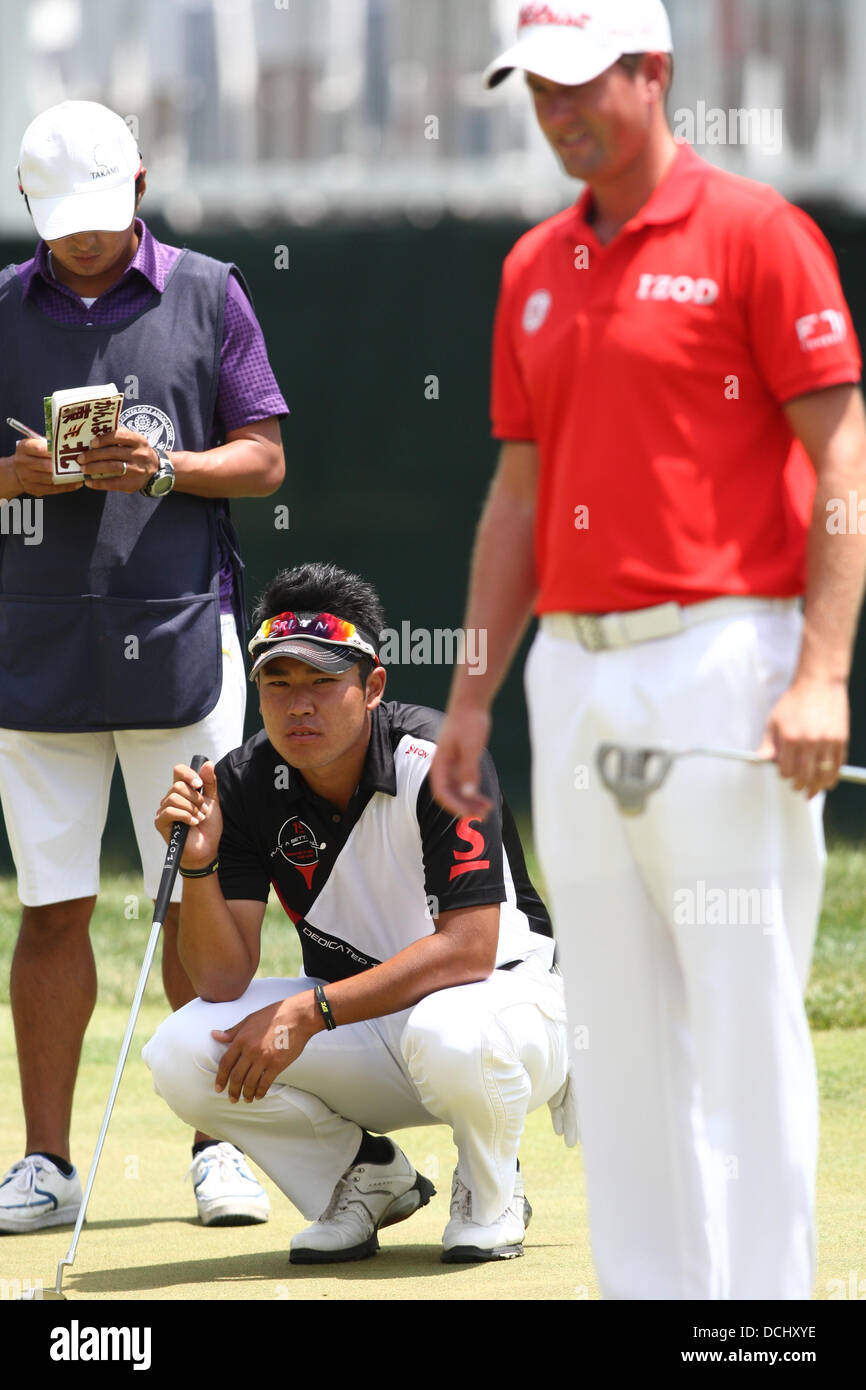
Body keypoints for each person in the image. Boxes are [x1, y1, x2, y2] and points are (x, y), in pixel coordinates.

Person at [429, 0, 866, 1300]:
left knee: (738, 1019)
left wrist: (822, 669)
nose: (556, 113)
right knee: (614, 1029)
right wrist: (468, 700)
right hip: (571, 668)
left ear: (652, 71)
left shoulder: (756, 235)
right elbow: (517, 495)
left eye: (579, 84)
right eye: (536, 90)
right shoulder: (529, 268)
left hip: (726, 655)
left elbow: (838, 452)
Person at [0, 100, 288, 1233]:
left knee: (199, 899)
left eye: (103, 214)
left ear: (143, 181)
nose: (84, 239)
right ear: (30, 207)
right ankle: (45, 1161)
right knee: (51, 907)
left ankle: (219, 1144)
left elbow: (262, 457)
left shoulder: (211, 290)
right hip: (34, 648)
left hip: (178, 636)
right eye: (62, 219)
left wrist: (165, 468)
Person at [142, 561, 571, 1263]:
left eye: (320, 682)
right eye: (277, 684)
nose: (297, 705)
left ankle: (493, 1192)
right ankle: (363, 1177)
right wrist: (200, 865)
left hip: (507, 1007)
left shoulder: (440, 760)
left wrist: (311, 1013)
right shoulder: (245, 783)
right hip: (371, 1021)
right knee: (185, 1050)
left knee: (449, 1030)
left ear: (372, 687)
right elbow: (219, 982)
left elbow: (467, 950)